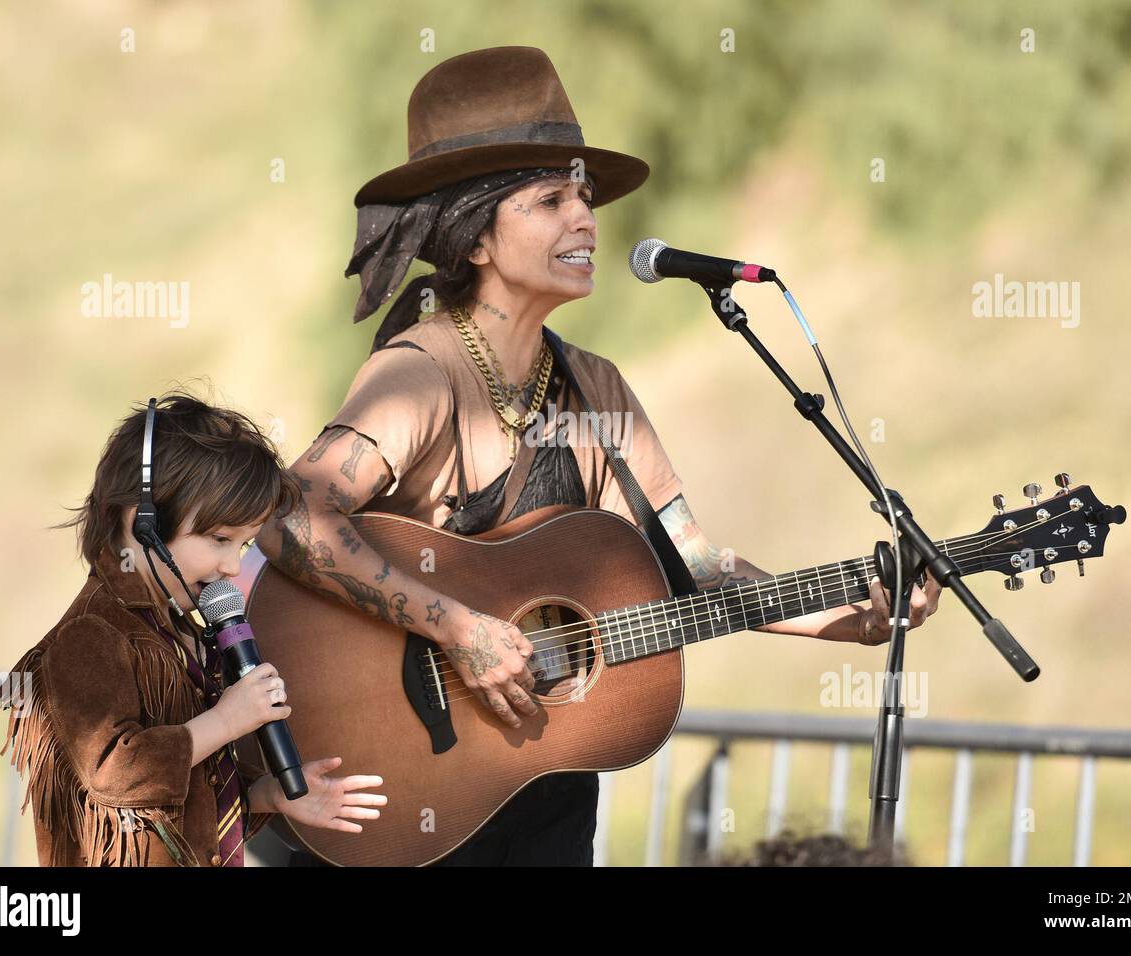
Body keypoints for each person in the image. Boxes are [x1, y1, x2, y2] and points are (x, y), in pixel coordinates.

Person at [257, 46, 941, 866]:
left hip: (543, 790)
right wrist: (461, 626)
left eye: (584, 196)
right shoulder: (421, 373)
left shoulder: (596, 388)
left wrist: (851, 617)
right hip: (409, 783)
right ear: (475, 237)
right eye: (550, 200)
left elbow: (698, 569)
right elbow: (291, 516)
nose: (585, 218)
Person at [0, 392, 386, 866]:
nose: (230, 565)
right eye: (220, 539)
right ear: (144, 526)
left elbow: (188, 795)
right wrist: (225, 721)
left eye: (242, 545)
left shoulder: (174, 630)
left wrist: (269, 794)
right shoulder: (91, 634)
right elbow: (114, 773)